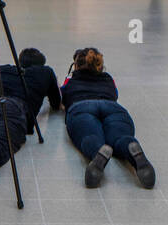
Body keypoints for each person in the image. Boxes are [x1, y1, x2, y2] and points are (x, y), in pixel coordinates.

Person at [61, 46, 155, 189]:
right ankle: (130, 146)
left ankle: (98, 151)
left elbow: (63, 97)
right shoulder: (108, 78)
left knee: (89, 135)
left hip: (82, 107)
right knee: (119, 138)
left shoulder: (71, 79)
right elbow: (115, 94)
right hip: (113, 108)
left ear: (76, 65)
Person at [0, 46, 63, 130]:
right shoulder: (46, 72)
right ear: (41, 66)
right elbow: (56, 103)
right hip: (14, 113)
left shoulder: (0, 70)